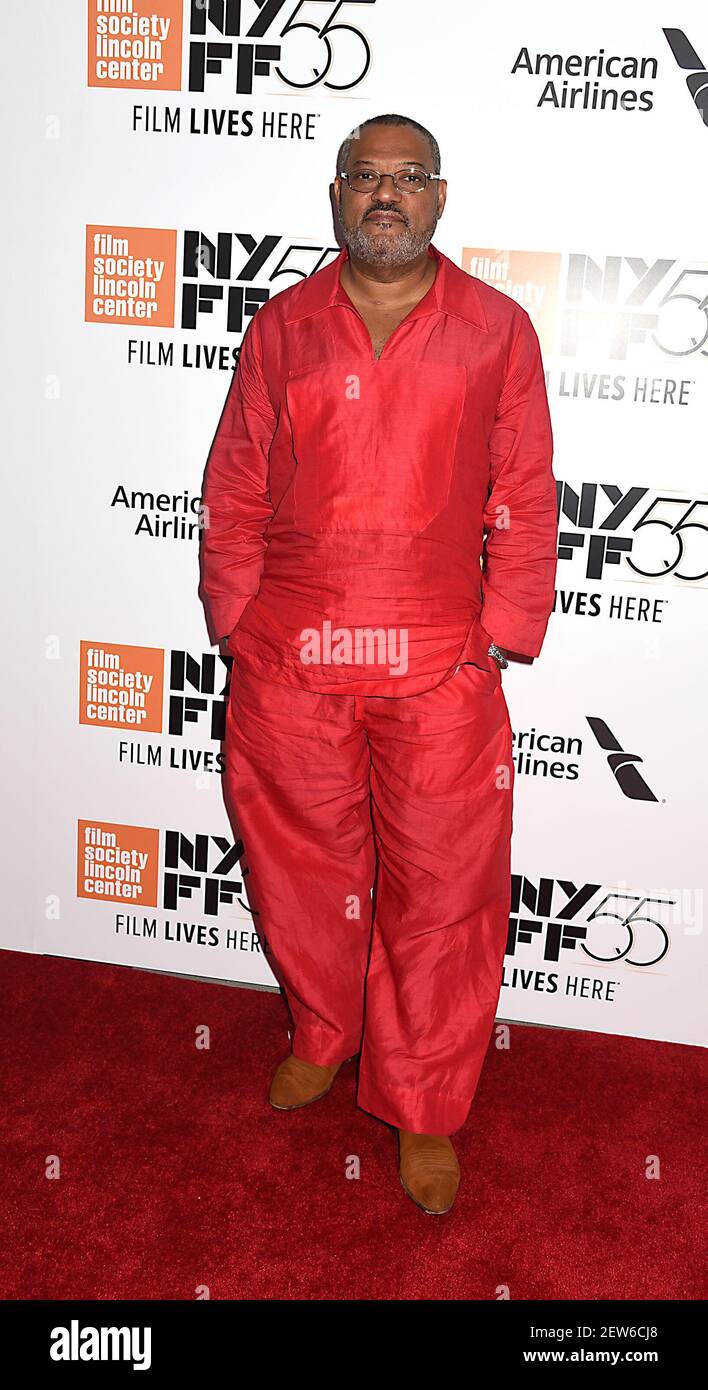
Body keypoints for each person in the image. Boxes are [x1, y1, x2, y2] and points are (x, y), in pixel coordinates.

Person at [200, 113, 557, 1215]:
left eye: (408, 179)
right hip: (291, 657)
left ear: (441, 198)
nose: (386, 195)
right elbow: (238, 486)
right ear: (337, 195)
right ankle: (326, 1028)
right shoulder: (283, 328)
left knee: (444, 891)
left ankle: (425, 1103)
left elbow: (529, 493)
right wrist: (238, 619)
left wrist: (499, 635)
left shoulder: (497, 329)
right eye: (366, 177)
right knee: (301, 869)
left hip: (439, 660)